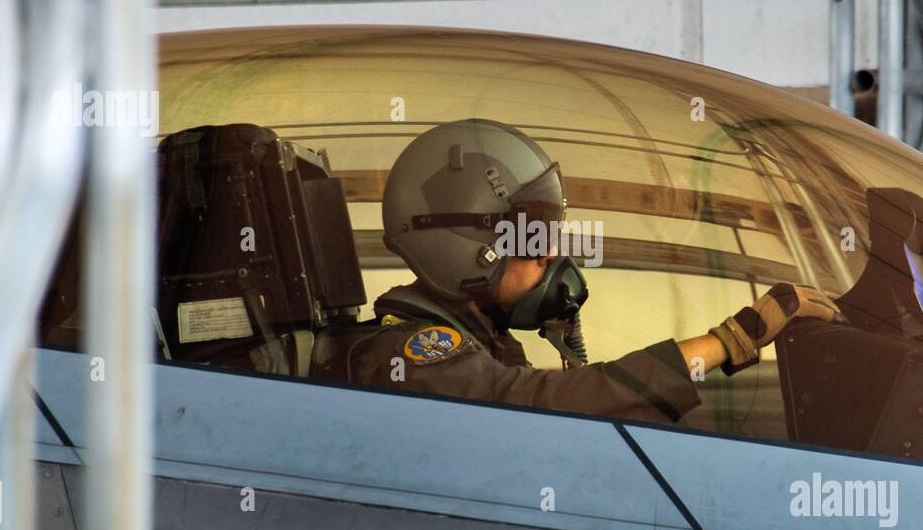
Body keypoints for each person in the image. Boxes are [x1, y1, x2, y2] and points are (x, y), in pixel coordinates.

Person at [346, 119, 844, 425]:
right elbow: (539, 404)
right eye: (530, 231)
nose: (549, 252)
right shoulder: (409, 356)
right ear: (462, 248)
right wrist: (732, 339)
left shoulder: (484, 344)